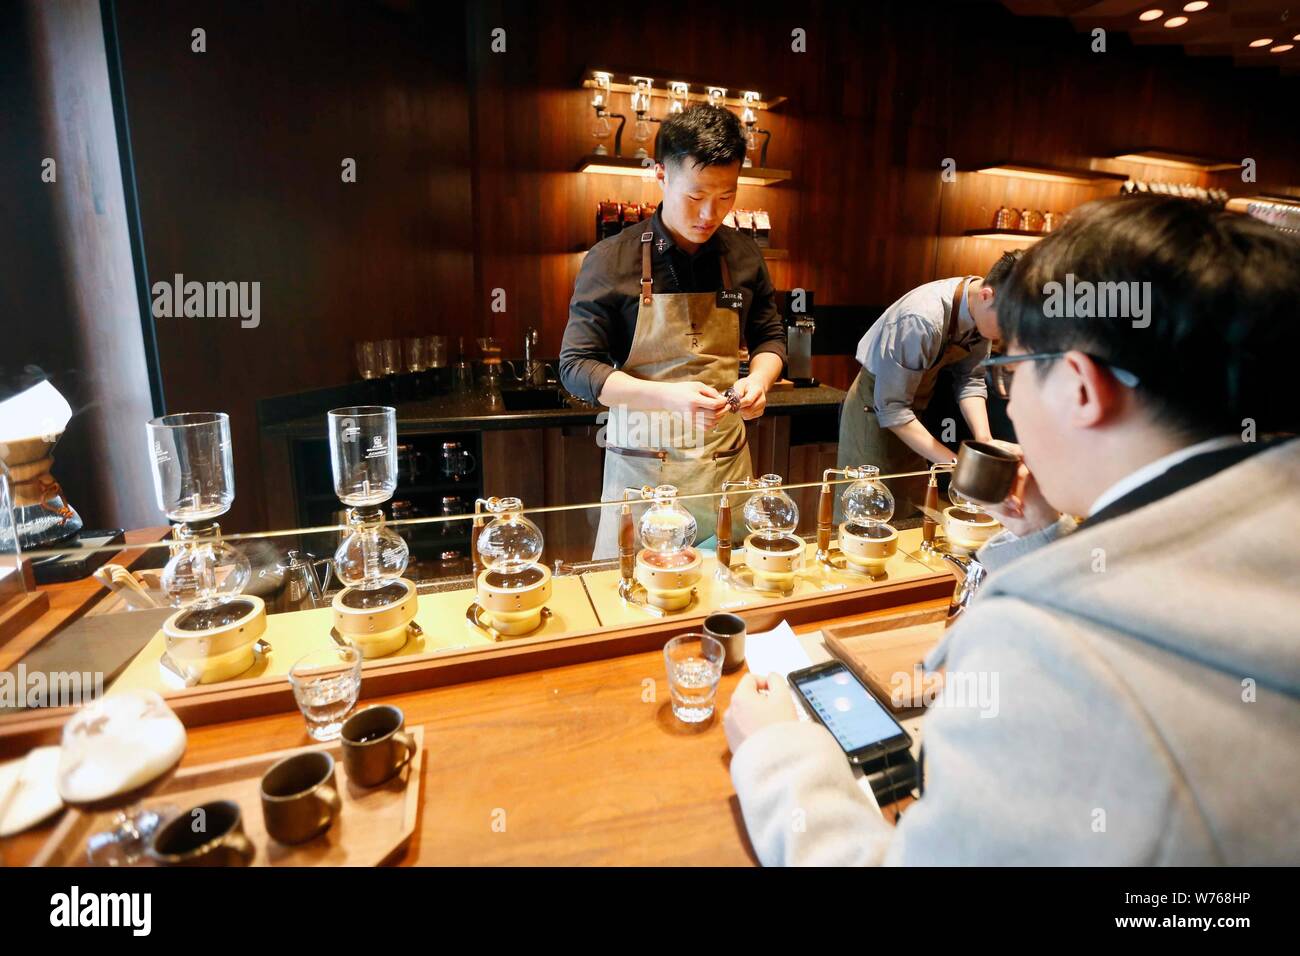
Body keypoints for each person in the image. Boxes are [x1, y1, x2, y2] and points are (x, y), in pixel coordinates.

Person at [724, 195, 1300, 865]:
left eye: (1013, 372)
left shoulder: (1049, 648)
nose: (1009, 398)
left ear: (1081, 389)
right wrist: (1037, 542)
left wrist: (776, 754)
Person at [559, 105, 786, 559]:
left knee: (728, 594)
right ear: (660, 175)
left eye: (726, 196)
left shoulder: (742, 255)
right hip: (642, 476)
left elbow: (770, 336)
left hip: (726, 471)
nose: (709, 213)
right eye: (696, 195)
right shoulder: (610, 260)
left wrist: (760, 381)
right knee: (639, 601)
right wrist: (670, 397)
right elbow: (576, 368)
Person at [837, 252, 1021, 518]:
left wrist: (985, 441)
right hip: (873, 416)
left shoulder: (981, 317)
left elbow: (970, 379)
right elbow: (894, 410)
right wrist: (959, 466)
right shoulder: (922, 319)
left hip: (913, 418)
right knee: (867, 513)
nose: (1011, 334)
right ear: (986, 296)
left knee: (911, 510)